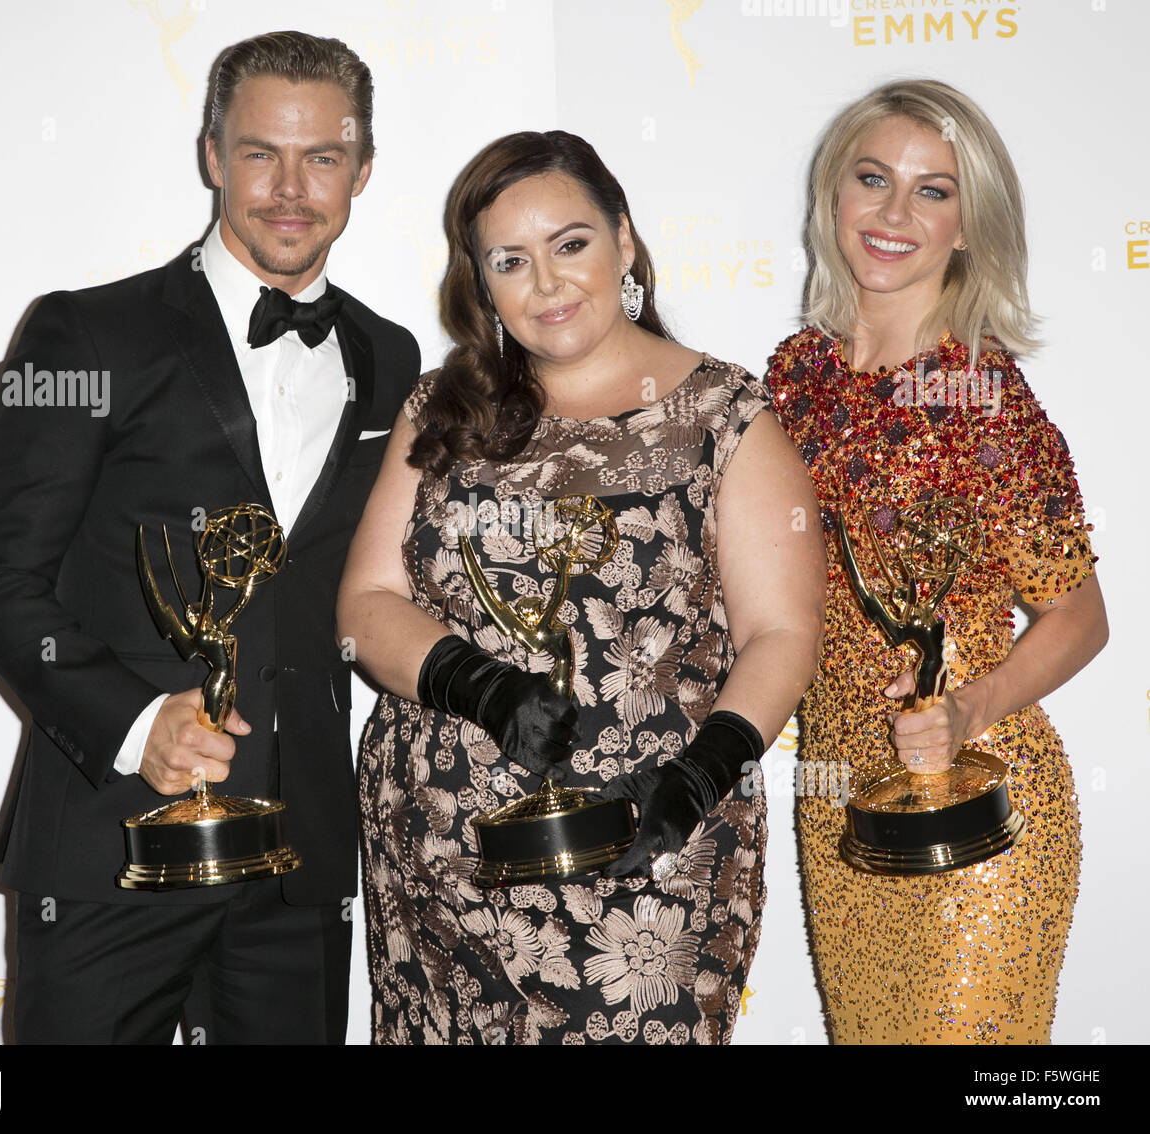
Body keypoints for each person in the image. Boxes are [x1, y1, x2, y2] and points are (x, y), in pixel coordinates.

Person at [0, 31, 419, 1044]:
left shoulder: (388, 354)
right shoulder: (86, 335)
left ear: (362, 169)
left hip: (301, 868)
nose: (289, 189)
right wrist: (130, 723)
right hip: (108, 845)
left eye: (322, 156)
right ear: (211, 154)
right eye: (259, 153)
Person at [337, 131, 824, 1044]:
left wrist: (701, 773)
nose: (548, 284)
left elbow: (783, 634)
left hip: (646, 857)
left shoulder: (724, 415)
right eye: (510, 261)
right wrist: (478, 686)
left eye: (572, 244)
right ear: (482, 282)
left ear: (624, 240)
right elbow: (364, 608)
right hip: (440, 861)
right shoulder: (442, 406)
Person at [765, 79, 1108, 1044]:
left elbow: (1082, 617)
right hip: (834, 802)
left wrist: (965, 709)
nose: (892, 213)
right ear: (833, 195)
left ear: (968, 226)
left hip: (981, 807)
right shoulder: (793, 380)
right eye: (872, 179)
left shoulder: (983, 397)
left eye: (932, 190)